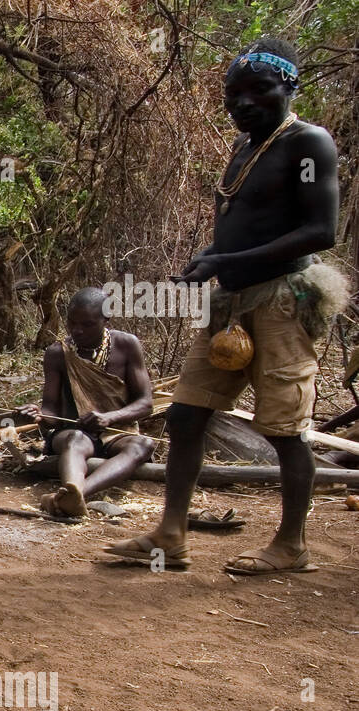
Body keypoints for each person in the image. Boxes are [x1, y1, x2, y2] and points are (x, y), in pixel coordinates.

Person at [107, 37, 340, 573]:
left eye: (259, 91)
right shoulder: (245, 149)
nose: (243, 104)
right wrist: (206, 261)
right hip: (228, 304)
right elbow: (238, 226)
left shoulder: (308, 144)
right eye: (232, 95)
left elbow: (320, 230)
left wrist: (225, 260)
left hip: (282, 300)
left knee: (285, 428)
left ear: (290, 87)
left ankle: (291, 545)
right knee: (187, 416)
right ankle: (171, 535)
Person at [19, 287, 155, 516]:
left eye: (88, 324)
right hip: (74, 431)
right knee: (75, 439)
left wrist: (109, 417)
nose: (77, 330)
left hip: (117, 431)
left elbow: (145, 403)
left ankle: (75, 495)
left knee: (142, 445)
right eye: (72, 323)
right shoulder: (57, 353)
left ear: (106, 319)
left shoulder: (126, 345)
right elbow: (51, 410)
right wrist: (40, 415)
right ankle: (73, 494)